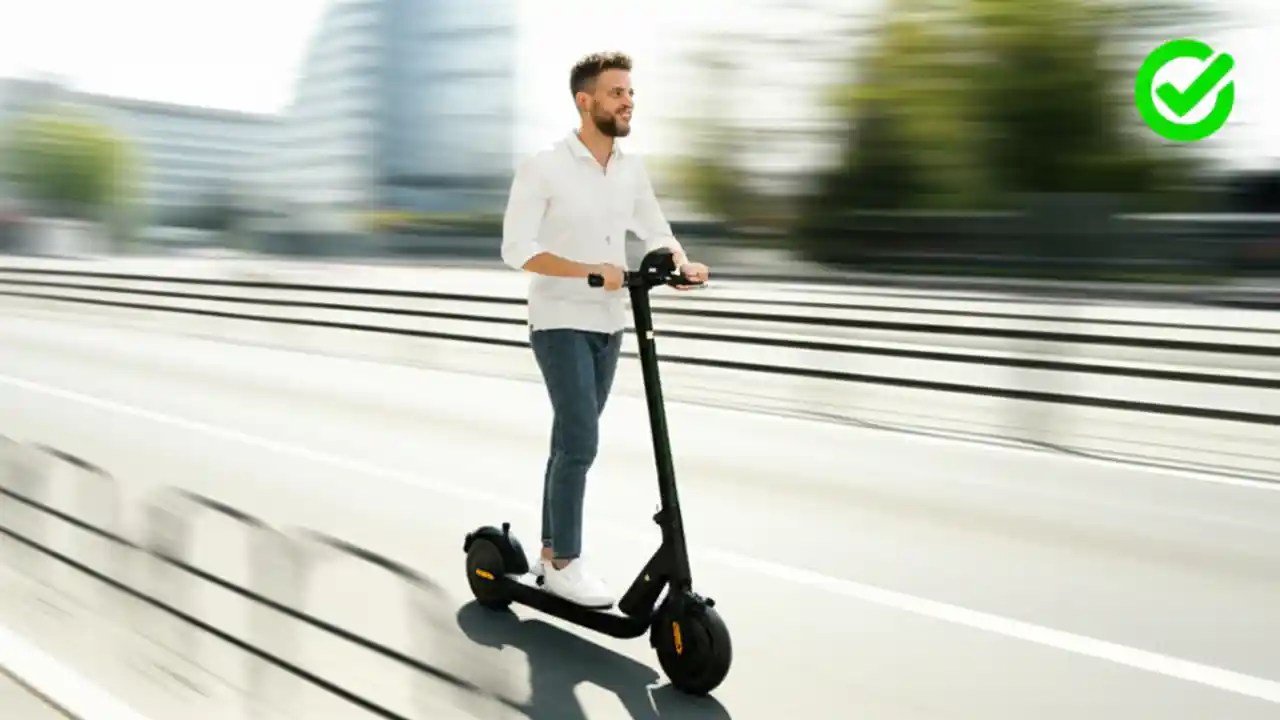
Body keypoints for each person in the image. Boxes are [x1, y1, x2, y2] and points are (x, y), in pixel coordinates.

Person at [500, 51, 710, 608]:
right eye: (617, 93)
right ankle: (565, 561)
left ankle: (549, 556)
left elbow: (655, 227)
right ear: (585, 100)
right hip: (559, 321)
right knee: (582, 443)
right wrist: (591, 271)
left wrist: (679, 261)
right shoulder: (544, 166)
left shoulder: (630, 169)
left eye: (631, 93)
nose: (628, 102)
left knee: (568, 442)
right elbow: (516, 250)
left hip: (608, 323)